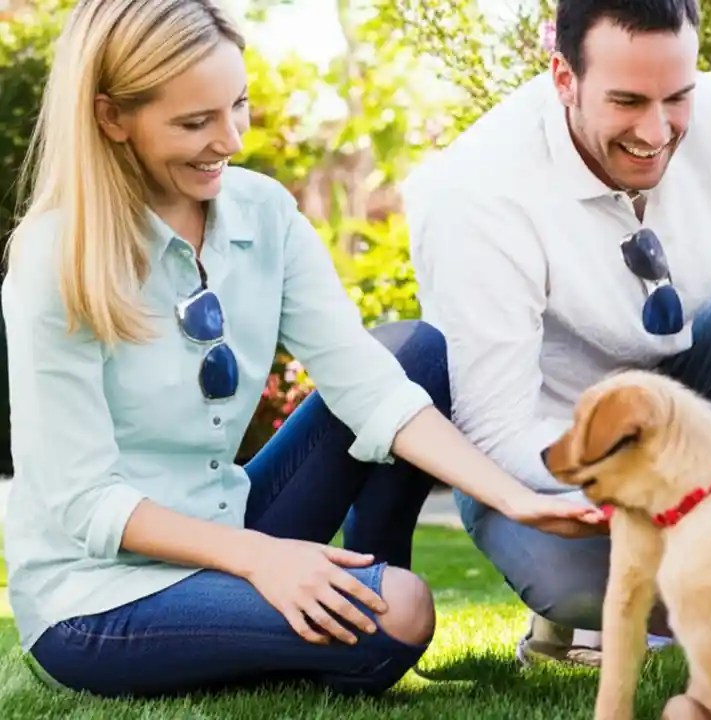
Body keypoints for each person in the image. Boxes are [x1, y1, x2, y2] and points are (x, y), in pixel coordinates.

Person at [1, 0, 600, 699]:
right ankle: (354, 619)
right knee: (401, 609)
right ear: (111, 118)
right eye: (195, 123)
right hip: (97, 596)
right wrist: (262, 559)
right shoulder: (54, 258)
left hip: (229, 522)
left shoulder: (263, 215)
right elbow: (84, 502)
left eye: (239, 106)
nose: (229, 139)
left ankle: (362, 588)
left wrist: (516, 497)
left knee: (417, 352)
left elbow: (370, 387)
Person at [401, 0, 711, 665]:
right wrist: (674, 485)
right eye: (627, 101)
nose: (657, 130)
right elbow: (497, 433)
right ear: (564, 79)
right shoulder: (480, 197)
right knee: (583, 587)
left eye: (677, 97)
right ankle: (577, 621)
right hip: (546, 458)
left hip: (679, 386)